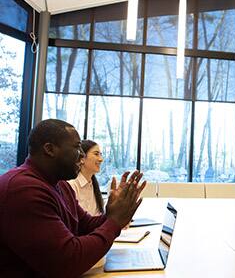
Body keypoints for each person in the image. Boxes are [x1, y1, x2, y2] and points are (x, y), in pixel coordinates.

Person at [0, 119, 146, 277]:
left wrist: (115, 213)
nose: (82, 156)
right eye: (77, 147)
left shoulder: (60, 184)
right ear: (50, 149)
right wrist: (114, 222)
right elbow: (68, 261)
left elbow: (86, 225)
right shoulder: (23, 190)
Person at [68, 140, 104, 216]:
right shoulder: (71, 185)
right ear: (82, 159)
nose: (101, 159)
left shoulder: (93, 186)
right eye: (96, 154)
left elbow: (97, 217)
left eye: (101, 155)